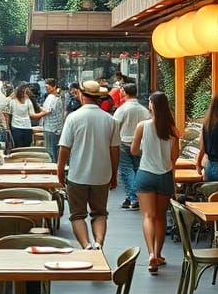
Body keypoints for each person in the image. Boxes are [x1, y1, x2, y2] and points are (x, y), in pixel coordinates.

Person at [57, 80, 119, 249]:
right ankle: (98, 243)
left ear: (82, 96)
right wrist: (114, 175)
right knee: (99, 213)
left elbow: (64, 148)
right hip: (102, 175)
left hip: (78, 174)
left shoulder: (73, 118)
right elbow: (114, 151)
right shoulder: (110, 120)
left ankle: (86, 245)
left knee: (77, 215)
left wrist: (60, 171)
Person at [131, 91, 179, 273]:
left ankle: (150, 253)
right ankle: (158, 254)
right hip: (165, 175)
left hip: (145, 174)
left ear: (151, 105)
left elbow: (134, 151)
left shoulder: (142, 126)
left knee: (148, 216)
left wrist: (147, 150)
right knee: (160, 217)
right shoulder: (174, 130)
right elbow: (174, 157)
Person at [112, 82, 150, 210]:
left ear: (124, 93)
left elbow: (114, 126)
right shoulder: (144, 110)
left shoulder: (122, 109)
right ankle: (130, 197)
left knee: (126, 171)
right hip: (140, 144)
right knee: (136, 169)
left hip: (124, 143)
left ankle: (134, 198)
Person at [8, 82, 43, 149]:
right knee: (17, 148)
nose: (23, 93)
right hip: (16, 127)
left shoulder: (28, 101)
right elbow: (9, 114)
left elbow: (32, 114)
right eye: (22, 91)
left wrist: (43, 113)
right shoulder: (12, 101)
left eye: (25, 91)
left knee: (26, 148)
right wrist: (8, 128)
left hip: (27, 127)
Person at [39, 78, 65, 160]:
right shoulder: (56, 97)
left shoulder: (52, 97)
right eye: (46, 87)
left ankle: (53, 168)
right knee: (54, 150)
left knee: (50, 152)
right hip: (55, 128)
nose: (46, 89)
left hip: (51, 128)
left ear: (54, 87)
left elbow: (46, 111)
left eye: (48, 87)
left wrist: (34, 115)